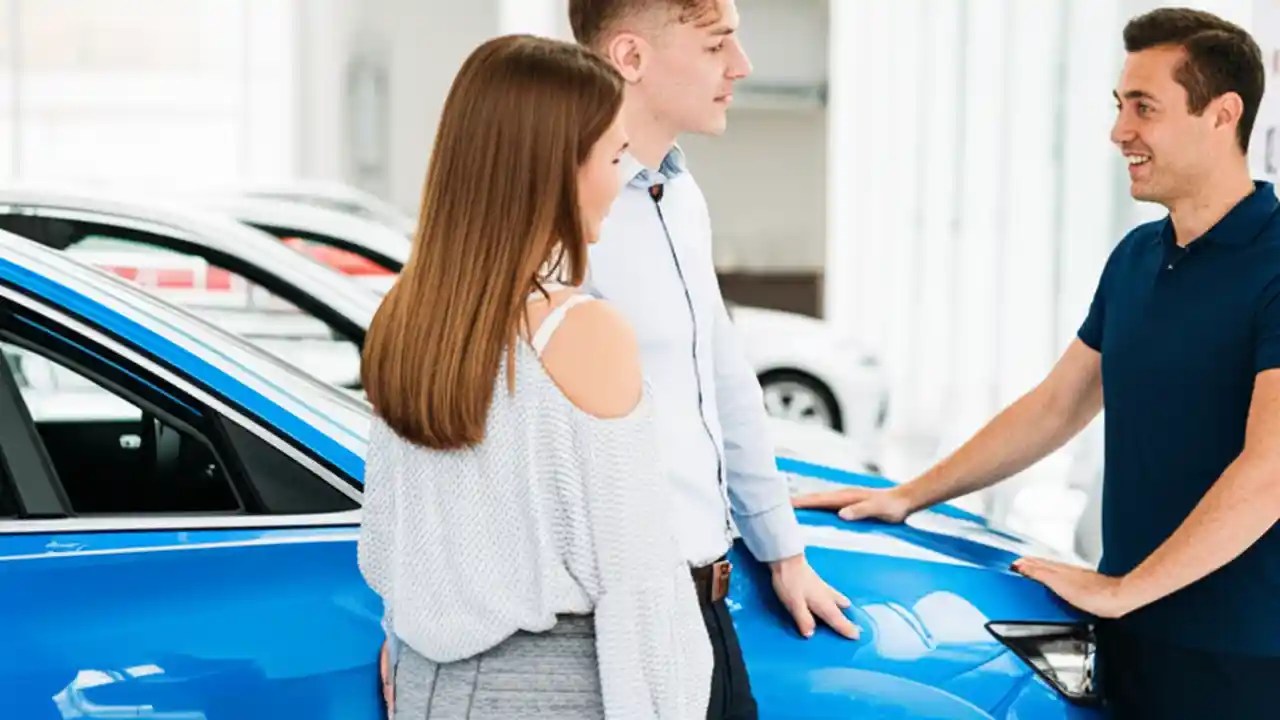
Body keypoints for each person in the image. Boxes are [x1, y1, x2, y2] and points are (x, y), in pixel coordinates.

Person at [795, 8, 1280, 718]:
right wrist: (911, 493)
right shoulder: (1137, 258)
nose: (1121, 131)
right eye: (1120, 106)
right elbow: (1057, 405)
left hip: (1241, 654)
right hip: (1133, 635)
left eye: (1145, 107)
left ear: (1222, 115)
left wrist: (1124, 590)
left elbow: (1270, 471)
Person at [358, 34, 712, 719]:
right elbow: (639, 590)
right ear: (551, 170)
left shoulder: (407, 322)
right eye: (612, 155)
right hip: (562, 688)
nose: (621, 176)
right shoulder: (583, 332)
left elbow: (385, 549)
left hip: (434, 686)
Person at [570, 0, 860, 716]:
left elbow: (725, 383)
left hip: (706, 606)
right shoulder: (564, 212)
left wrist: (782, 551)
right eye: (716, 44)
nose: (742, 66)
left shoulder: (679, 191)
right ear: (631, 58)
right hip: (613, 632)